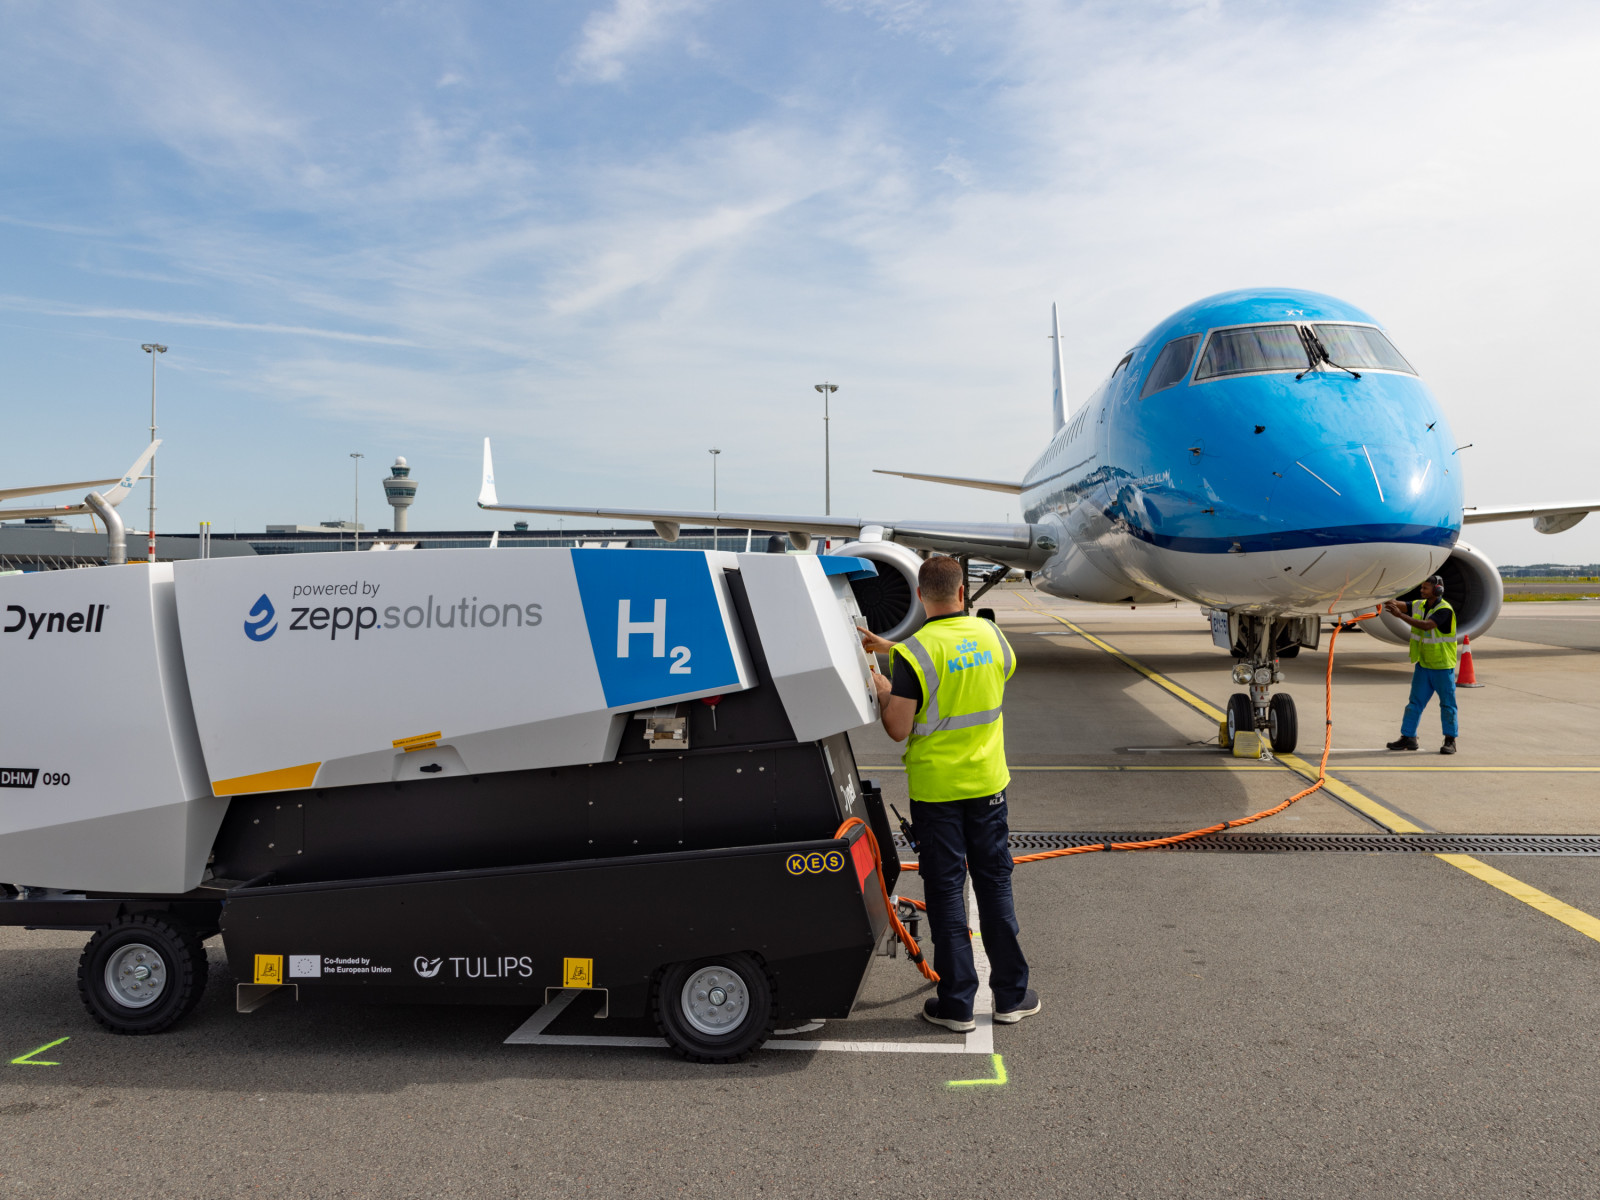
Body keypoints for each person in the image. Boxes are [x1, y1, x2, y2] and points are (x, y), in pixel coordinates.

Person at [858, 555, 1039, 1031]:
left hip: (938, 793)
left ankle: (957, 1003)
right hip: (988, 786)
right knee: (995, 884)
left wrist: (884, 687)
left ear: (919, 596)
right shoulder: (993, 637)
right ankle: (1012, 997)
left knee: (945, 893)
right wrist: (897, 652)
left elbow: (898, 727)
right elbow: (960, 659)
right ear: (963, 593)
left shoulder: (912, 655)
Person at [1384, 575, 1460, 755]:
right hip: (1424, 665)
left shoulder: (1444, 610)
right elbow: (1398, 604)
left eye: (1425, 588)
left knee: (1447, 705)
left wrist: (1399, 615)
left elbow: (1427, 626)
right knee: (1414, 704)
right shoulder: (1420, 604)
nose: (1421, 590)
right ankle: (1408, 738)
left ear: (1437, 590)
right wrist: (1379, 596)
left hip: (1442, 666)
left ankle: (1450, 740)